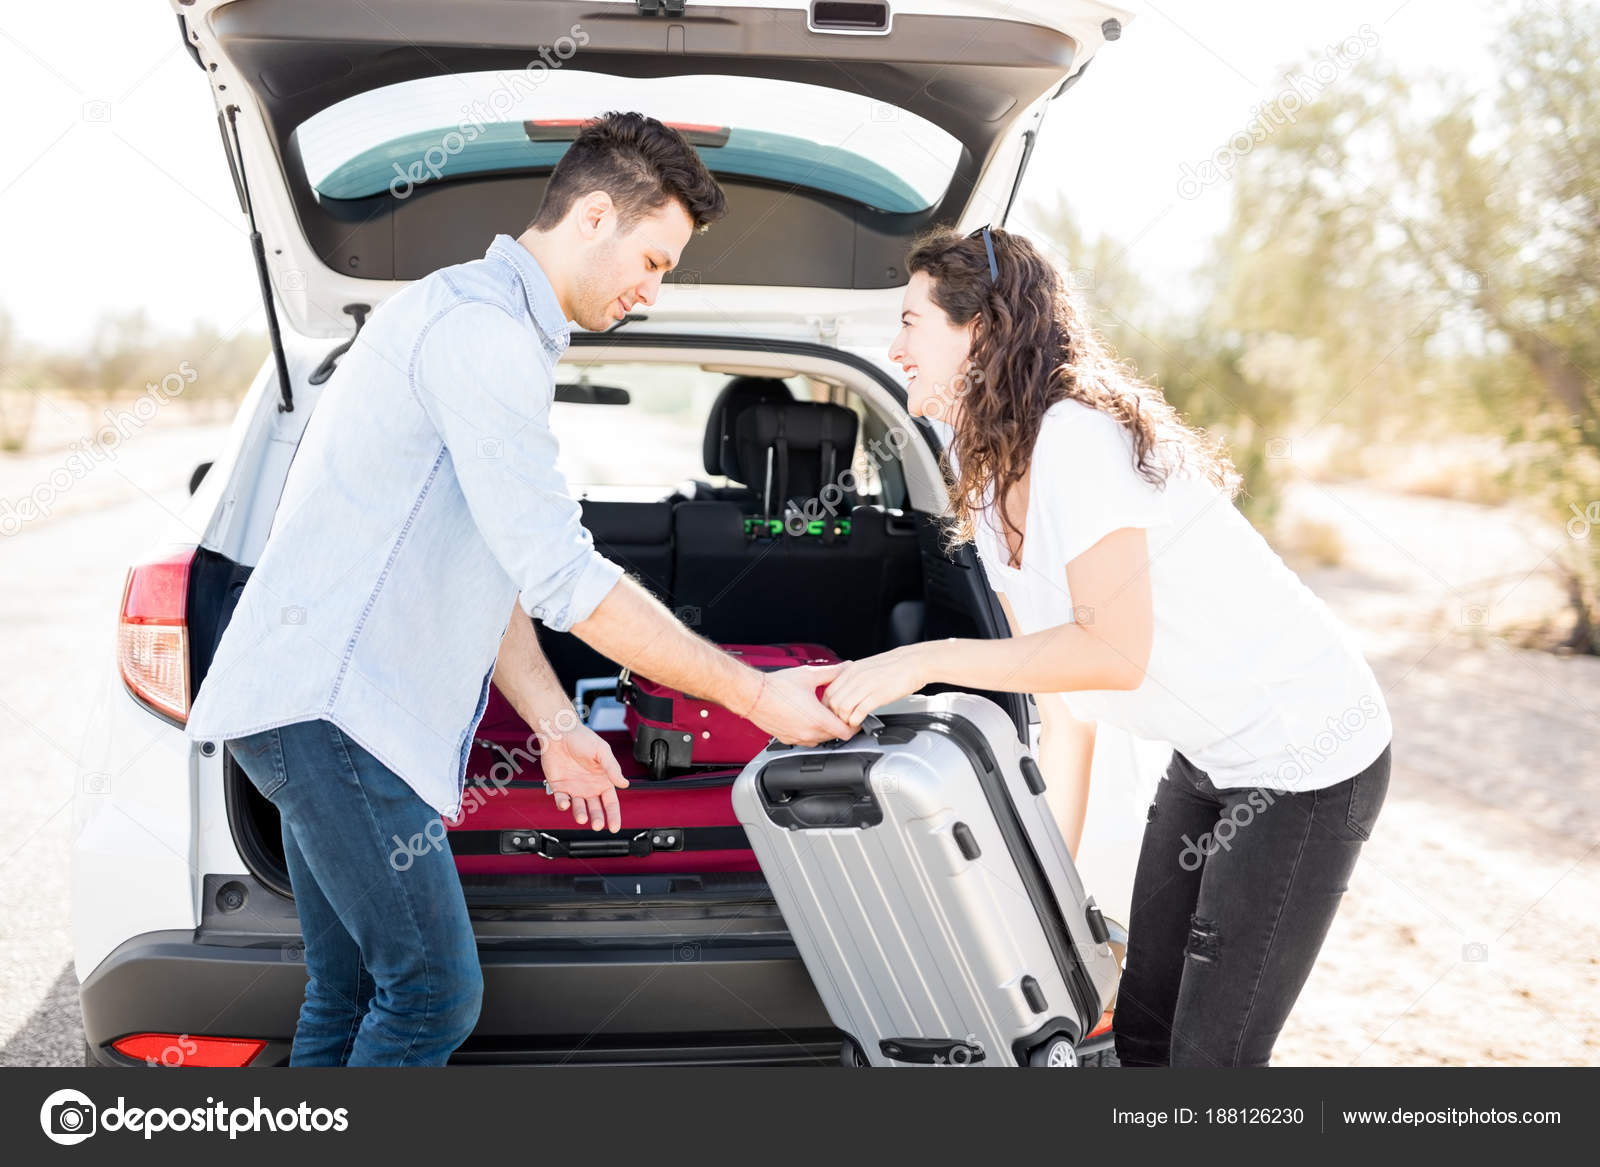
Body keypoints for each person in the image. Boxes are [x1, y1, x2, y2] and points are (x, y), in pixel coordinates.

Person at [185, 111, 852, 1067]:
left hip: (304, 707)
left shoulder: (469, 317)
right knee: (430, 997)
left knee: (349, 989)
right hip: (335, 716)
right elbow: (562, 577)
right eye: (656, 261)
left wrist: (554, 724)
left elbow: (487, 567)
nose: (651, 291)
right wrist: (754, 694)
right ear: (591, 216)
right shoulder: (482, 336)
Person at [820, 224, 1394, 1068]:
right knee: (1143, 1035)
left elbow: (1112, 651)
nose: (893, 344)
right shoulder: (984, 479)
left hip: (1308, 754)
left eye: (910, 321)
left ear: (977, 330)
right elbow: (1066, 715)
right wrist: (1044, 899)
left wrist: (921, 660)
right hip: (1211, 758)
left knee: (1210, 1062)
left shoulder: (1076, 438)